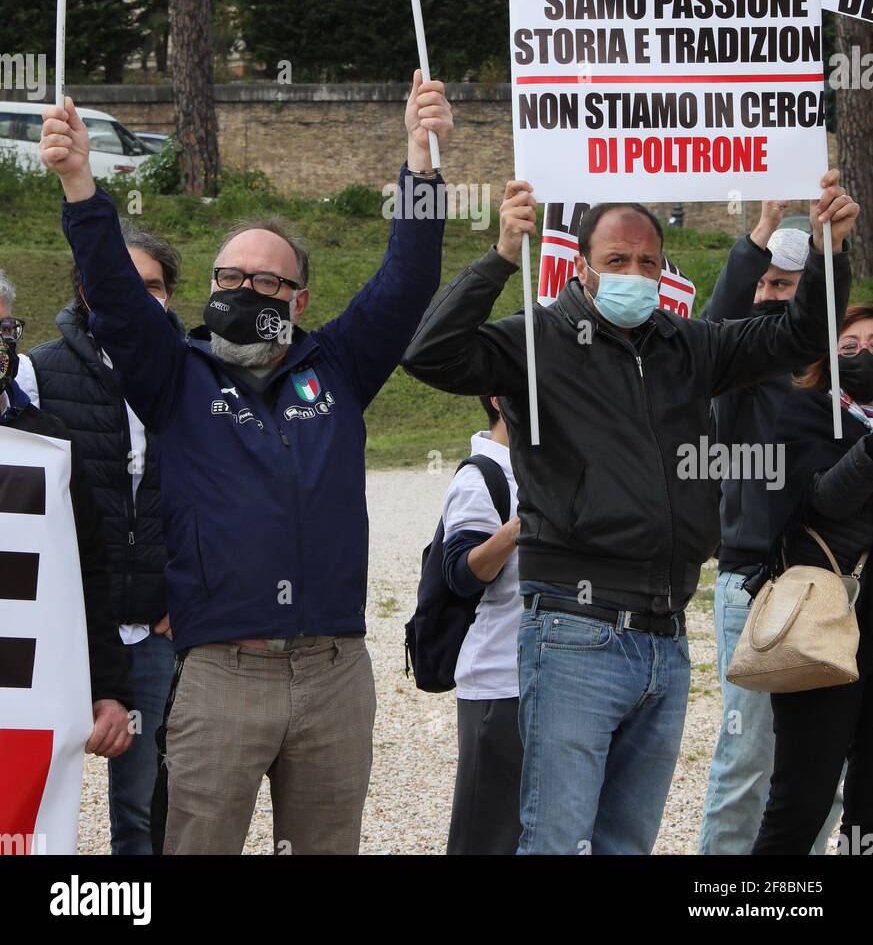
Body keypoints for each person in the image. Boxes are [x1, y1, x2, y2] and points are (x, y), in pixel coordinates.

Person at [39, 73, 453, 856]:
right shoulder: (175, 376)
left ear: (297, 299)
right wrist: (78, 183)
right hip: (223, 670)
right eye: (227, 278)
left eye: (265, 280)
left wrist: (421, 161)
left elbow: (408, 280)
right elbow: (119, 301)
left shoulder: (337, 366)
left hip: (334, 670)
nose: (242, 290)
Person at [403, 174, 857, 855]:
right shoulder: (536, 341)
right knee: (556, 840)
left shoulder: (687, 346)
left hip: (665, 637)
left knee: (625, 844)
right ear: (581, 267)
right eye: (616, 261)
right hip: (572, 630)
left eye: (647, 262)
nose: (634, 275)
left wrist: (828, 254)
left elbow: (795, 339)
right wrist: (499, 257)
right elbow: (429, 354)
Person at [15, 229, 184, 856]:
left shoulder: (191, 372)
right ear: (87, 288)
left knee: (145, 814)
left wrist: (189, 589)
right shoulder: (33, 373)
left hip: (152, 633)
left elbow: (222, 495)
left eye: (152, 286)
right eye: (120, 282)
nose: (138, 297)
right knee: (27, 799)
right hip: (61, 633)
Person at [698, 205, 841, 855]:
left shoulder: (834, 380)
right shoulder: (739, 364)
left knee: (821, 774)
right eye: (768, 284)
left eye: (790, 286)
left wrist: (827, 250)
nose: (775, 299)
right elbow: (707, 332)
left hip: (830, 590)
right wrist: (751, 243)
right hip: (754, 585)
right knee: (744, 765)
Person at [0, 279, 132, 854]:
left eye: (4, 331)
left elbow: (89, 574)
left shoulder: (50, 445)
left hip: (23, 702)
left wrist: (106, 689)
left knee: (21, 836)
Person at [752, 302, 873, 854]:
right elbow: (822, 500)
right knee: (804, 794)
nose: (864, 354)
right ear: (828, 357)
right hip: (825, 622)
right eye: (850, 347)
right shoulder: (805, 413)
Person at [443, 395, 523, 855]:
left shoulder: (558, 458)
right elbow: (461, 575)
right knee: (487, 839)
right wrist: (516, 528)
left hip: (559, 679)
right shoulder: (482, 474)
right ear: (498, 398)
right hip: (498, 684)